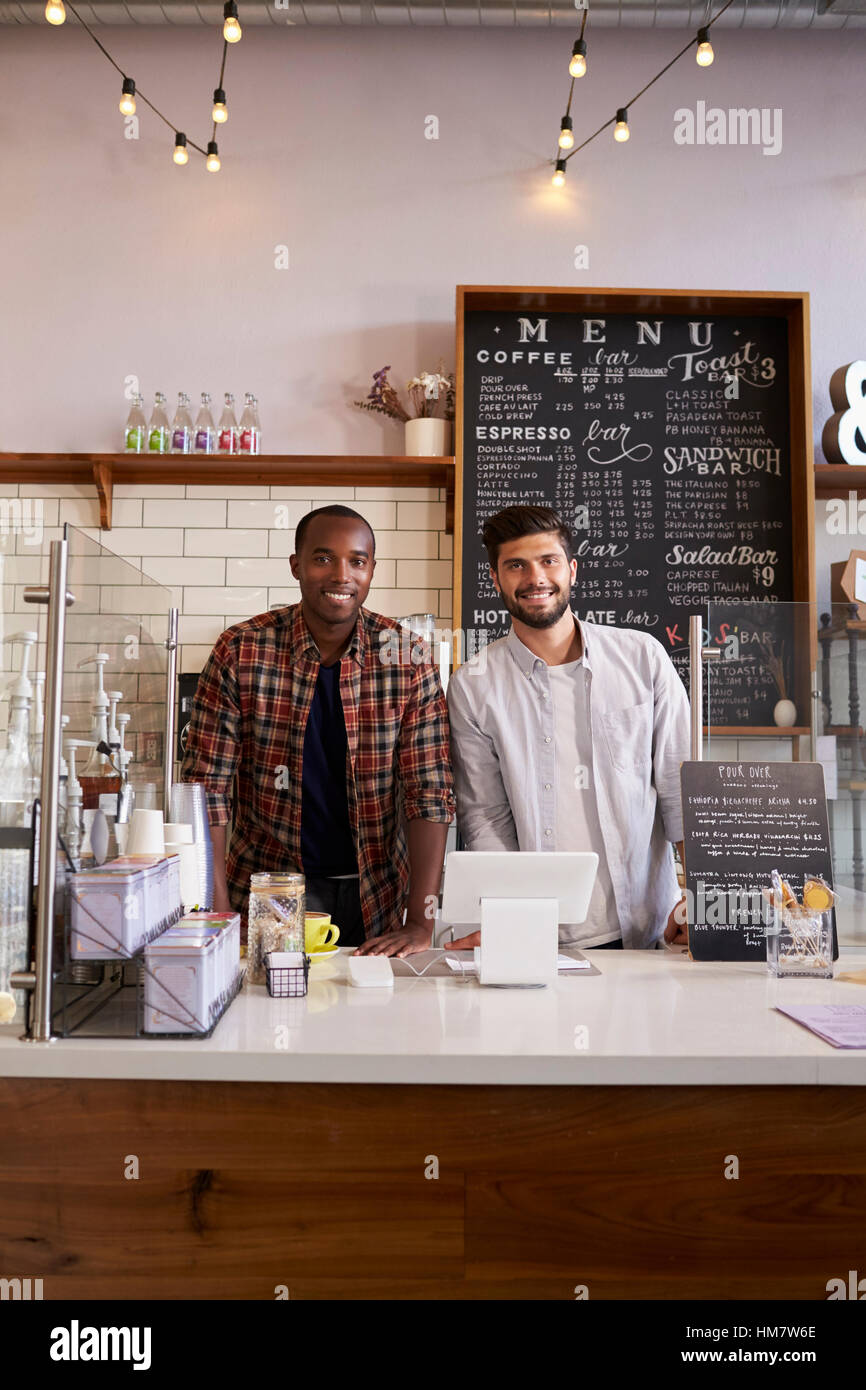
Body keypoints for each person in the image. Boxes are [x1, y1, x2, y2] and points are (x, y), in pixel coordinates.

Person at [180, 504, 454, 956]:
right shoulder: (241, 650)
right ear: (296, 566)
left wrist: (420, 922)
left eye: (357, 561)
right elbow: (206, 790)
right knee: (267, 1020)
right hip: (268, 896)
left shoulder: (406, 656)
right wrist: (217, 910)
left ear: (371, 570)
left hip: (378, 898)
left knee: (374, 1023)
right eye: (323, 558)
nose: (341, 575)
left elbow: (429, 789)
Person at [446, 504, 690, 951]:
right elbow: (485, 816)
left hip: (648, 926)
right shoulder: (473, 685)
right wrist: (507, 914)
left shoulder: (643, 658)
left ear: (572, 570)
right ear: (495, 579)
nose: (535, 578)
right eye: (516, 565)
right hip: (539, 931)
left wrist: (699, 900)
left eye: (548, 561)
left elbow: (680, 787)